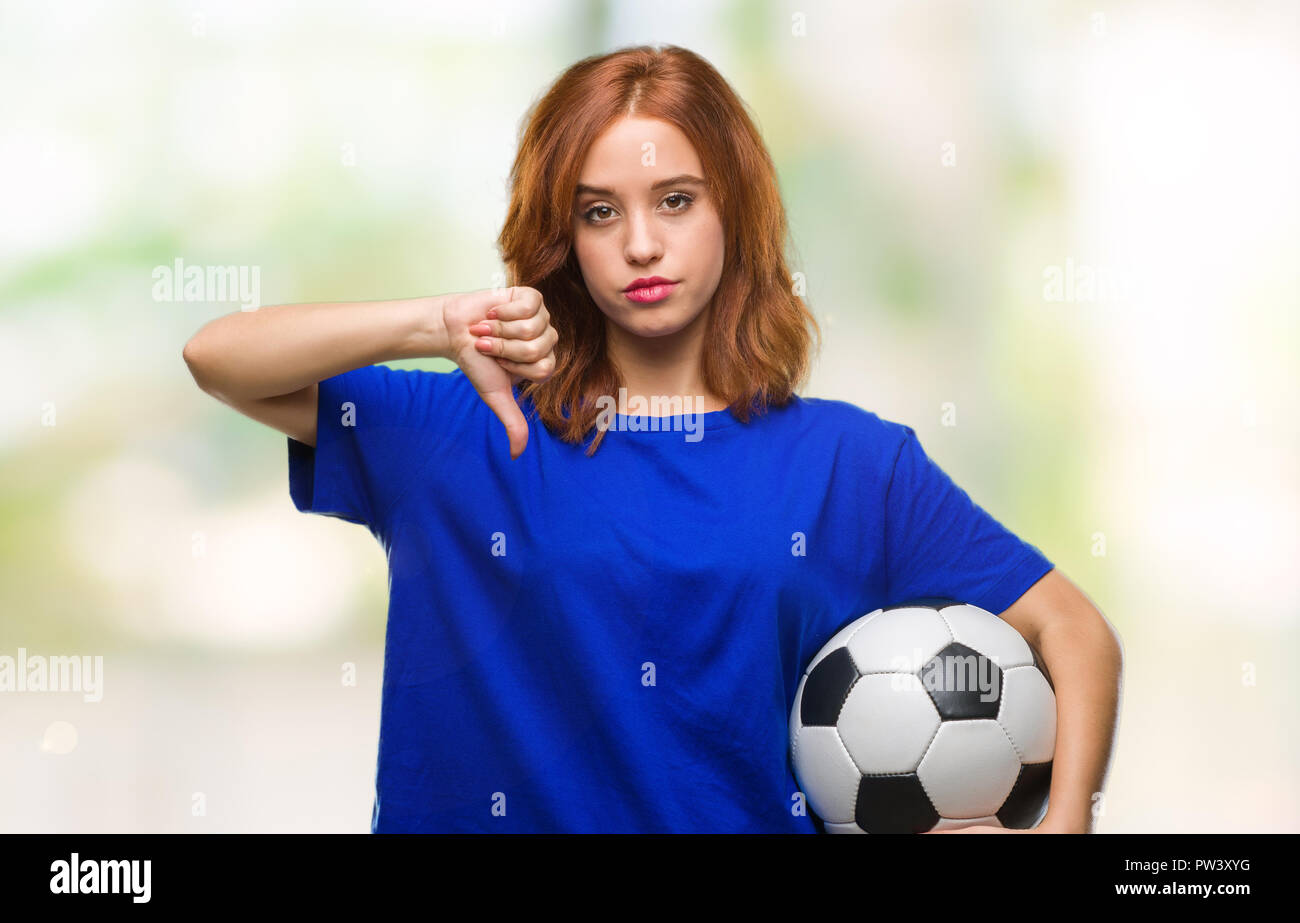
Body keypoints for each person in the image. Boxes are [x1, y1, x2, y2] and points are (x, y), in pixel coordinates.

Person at [182, 44, 1121, 834]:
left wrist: (1064, 824)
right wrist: (435, 322)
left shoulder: (852, 463)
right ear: (565, 236)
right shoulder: (458, 430)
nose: (640, 244)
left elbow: (1075, 632)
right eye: (600, 211)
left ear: (734, 212)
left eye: (676, 200)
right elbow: (218, 355)